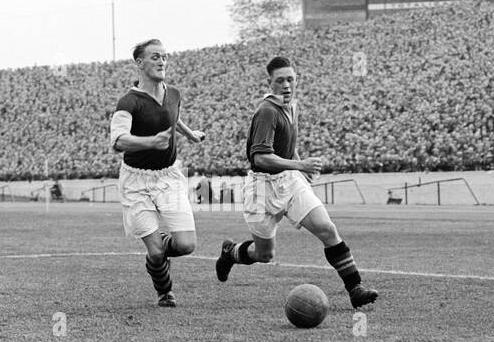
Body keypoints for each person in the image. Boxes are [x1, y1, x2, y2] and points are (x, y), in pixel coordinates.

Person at [214, 55, 377, 308]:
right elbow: (261, 157)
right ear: (270, 83)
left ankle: (355, 289)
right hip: (261, 188)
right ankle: (230, 254)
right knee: (265, 255)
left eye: (291, 79)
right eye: (280, 81)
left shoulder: (292, 106)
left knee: (327, 229)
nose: (287, 85)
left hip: (290, 181)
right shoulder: (266, 112)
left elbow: (288, 144)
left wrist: (299, 167)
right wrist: (300, 165)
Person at [108, 39, 206, 307]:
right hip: (136, 181)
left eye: (164, 56)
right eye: (155, 57)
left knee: (186, 245)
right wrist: (149, 142)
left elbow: (172, 116)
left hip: (169, 176)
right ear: (139, 63)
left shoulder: (173, 93)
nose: (162, 61)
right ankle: (165, 292)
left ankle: (161, 244)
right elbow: (117, 141)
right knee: (155, 253)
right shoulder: (128, 102)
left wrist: (190, 134)